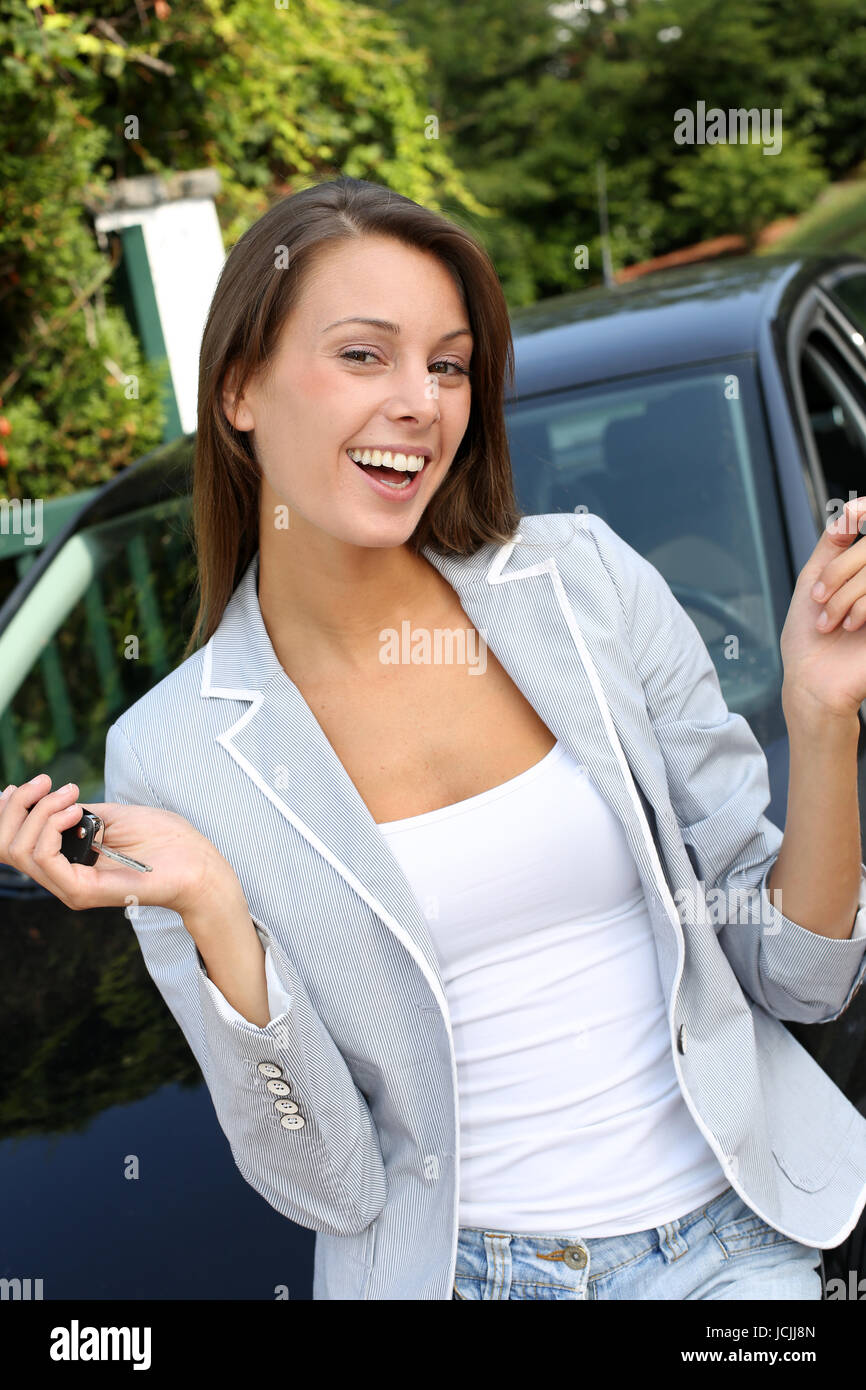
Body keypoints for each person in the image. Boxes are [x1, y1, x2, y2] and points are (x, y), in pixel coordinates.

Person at [3, 176, 866, 1301]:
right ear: (238, 391)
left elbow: (801, 979)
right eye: (364, 355)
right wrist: (216, 909)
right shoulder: (170, 754)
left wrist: (818, 716)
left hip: (724, 1253)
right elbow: (332, 1188)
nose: (419, 400)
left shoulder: (585, 584)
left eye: (447, 364)